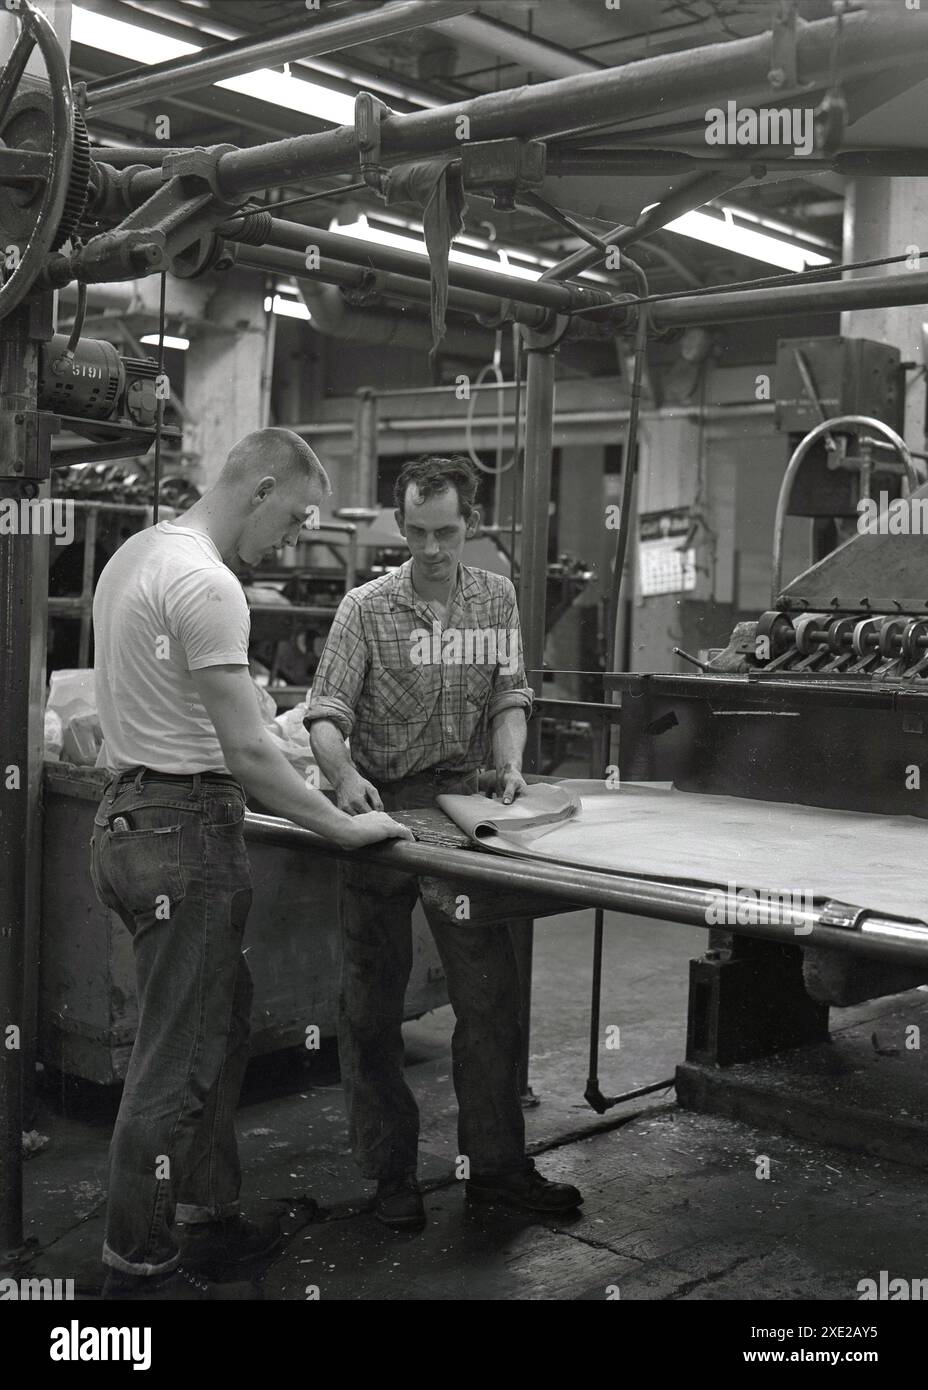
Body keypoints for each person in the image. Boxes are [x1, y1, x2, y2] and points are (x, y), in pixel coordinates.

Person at [91, 427, 411, 1300]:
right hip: (183, 835)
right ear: (262, 488)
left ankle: (206, 1213)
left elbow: (198, 716)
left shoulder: (137, 555)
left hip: (127, 818)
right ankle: (138, 1271)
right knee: (176, 1064)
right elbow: (247, 754)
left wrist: (284, 737)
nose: (297, 536)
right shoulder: (210, 582)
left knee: (216, 1025)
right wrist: (341, 829)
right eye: (297, 516)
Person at [306, 453, 583, 1229]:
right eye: (418, 531)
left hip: (462, 812)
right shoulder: (365, 609)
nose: (431, 548)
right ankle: (389, 1175)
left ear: (472, 524)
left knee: (489, 1000)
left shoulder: (496, 598)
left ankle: (495, 1170)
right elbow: (325, 713)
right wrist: (343, 777)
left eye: (447, 532)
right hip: (381, 814)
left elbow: (509, 693)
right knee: (371, 1006)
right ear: (401, 525)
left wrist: (509, 761)